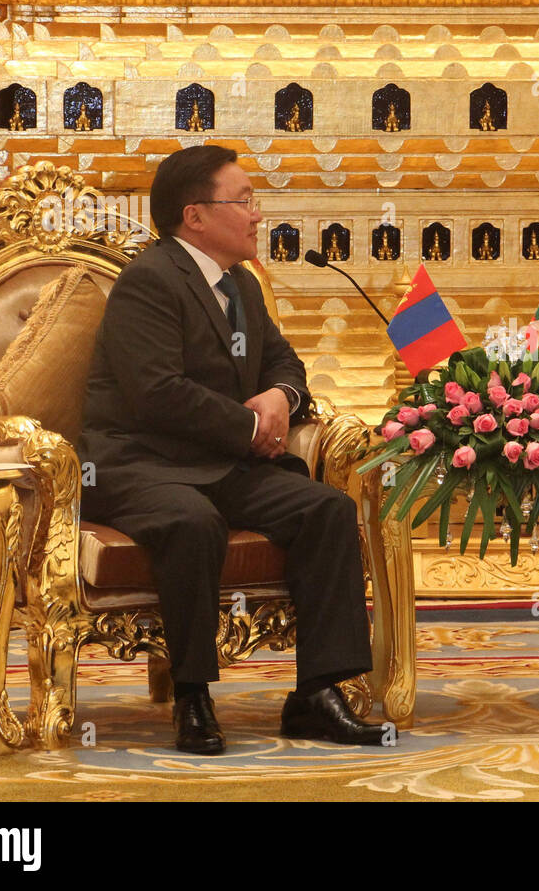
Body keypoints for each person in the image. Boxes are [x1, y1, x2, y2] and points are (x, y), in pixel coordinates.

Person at [79, 144, 391, 753]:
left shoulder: (241, 284)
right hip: (141, 462)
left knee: (325, 510)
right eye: (243, 200)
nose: (256, 215)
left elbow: (284, 362)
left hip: (219, 462)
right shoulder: (150, 280)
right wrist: (251, 430)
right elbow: (157, 395)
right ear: (195, 216)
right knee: (192, 522)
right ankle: (193, 695)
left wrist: (279, 396)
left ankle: (318, 694)